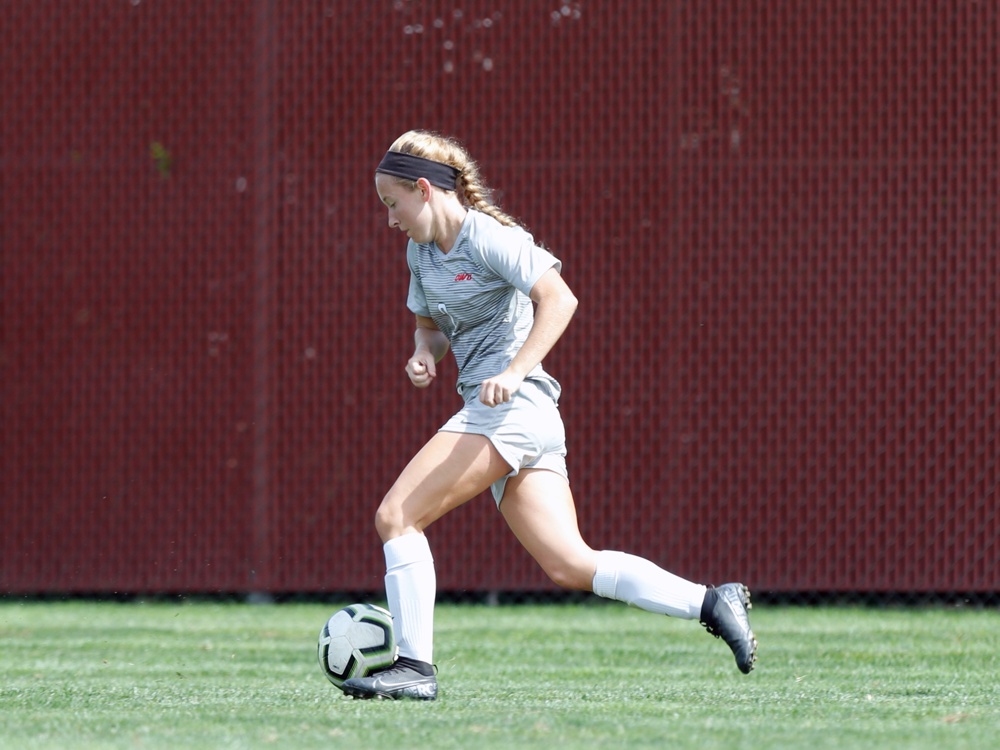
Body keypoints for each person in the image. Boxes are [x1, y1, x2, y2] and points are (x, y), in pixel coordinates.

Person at [342, 130, 757, 701]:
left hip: (514, 410)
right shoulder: (419, 251)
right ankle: (712, 601)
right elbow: (431, 328)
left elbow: (560, 299)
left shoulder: (489, 236)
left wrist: (513, 370)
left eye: (392, 204)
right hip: (520, 417)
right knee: (569, 563)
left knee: (396, 517)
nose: (390, 219)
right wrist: (422, 353)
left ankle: (414, 669)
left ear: (424, 188)